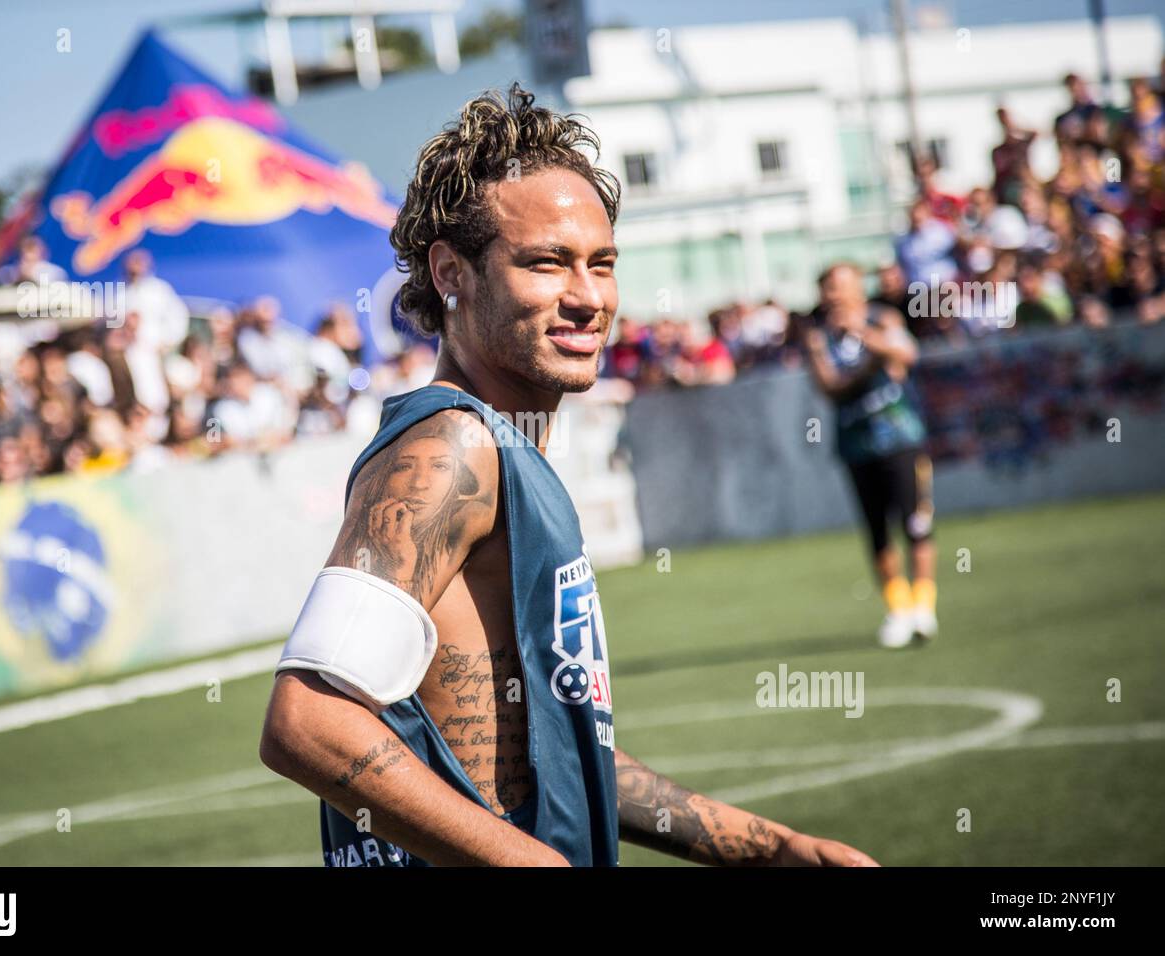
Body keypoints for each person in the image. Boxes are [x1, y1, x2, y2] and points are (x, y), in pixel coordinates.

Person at [258, 83, 878, 868]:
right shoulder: (449, 448)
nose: (587, 297)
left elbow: (565, 768)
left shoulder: (504, 444)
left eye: (602, 263)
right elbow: (306, 722)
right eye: (546, 264)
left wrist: (773, 848)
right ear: (452, 272)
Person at [802, 262, 937, 649]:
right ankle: (898, 608)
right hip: (856, 445)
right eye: (826, 287)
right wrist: (872, 365)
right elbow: (830, 387)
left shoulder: (883, 318)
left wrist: (864, 337)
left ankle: (925, 605)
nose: (833, 295)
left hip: (901, 437)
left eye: (839, 286)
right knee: (877, 531)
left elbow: (906, 354)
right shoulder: (818, 337)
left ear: (858, 287)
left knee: (916, 524)